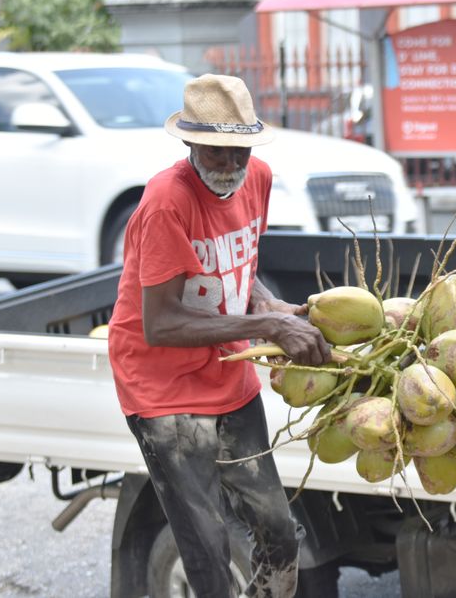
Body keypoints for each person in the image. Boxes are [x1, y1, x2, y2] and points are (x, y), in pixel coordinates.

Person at [107, 74, 332, 598]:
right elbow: (160, 323)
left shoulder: (258, 179)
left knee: (279, 532)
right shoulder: (166, 203)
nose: (230, 164)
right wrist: (267, 325)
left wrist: (265, 302)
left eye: (240, 152)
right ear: (190, 143)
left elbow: (239, 260)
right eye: (216, 152)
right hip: (164, 393)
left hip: (227, 373)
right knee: (207, 548)